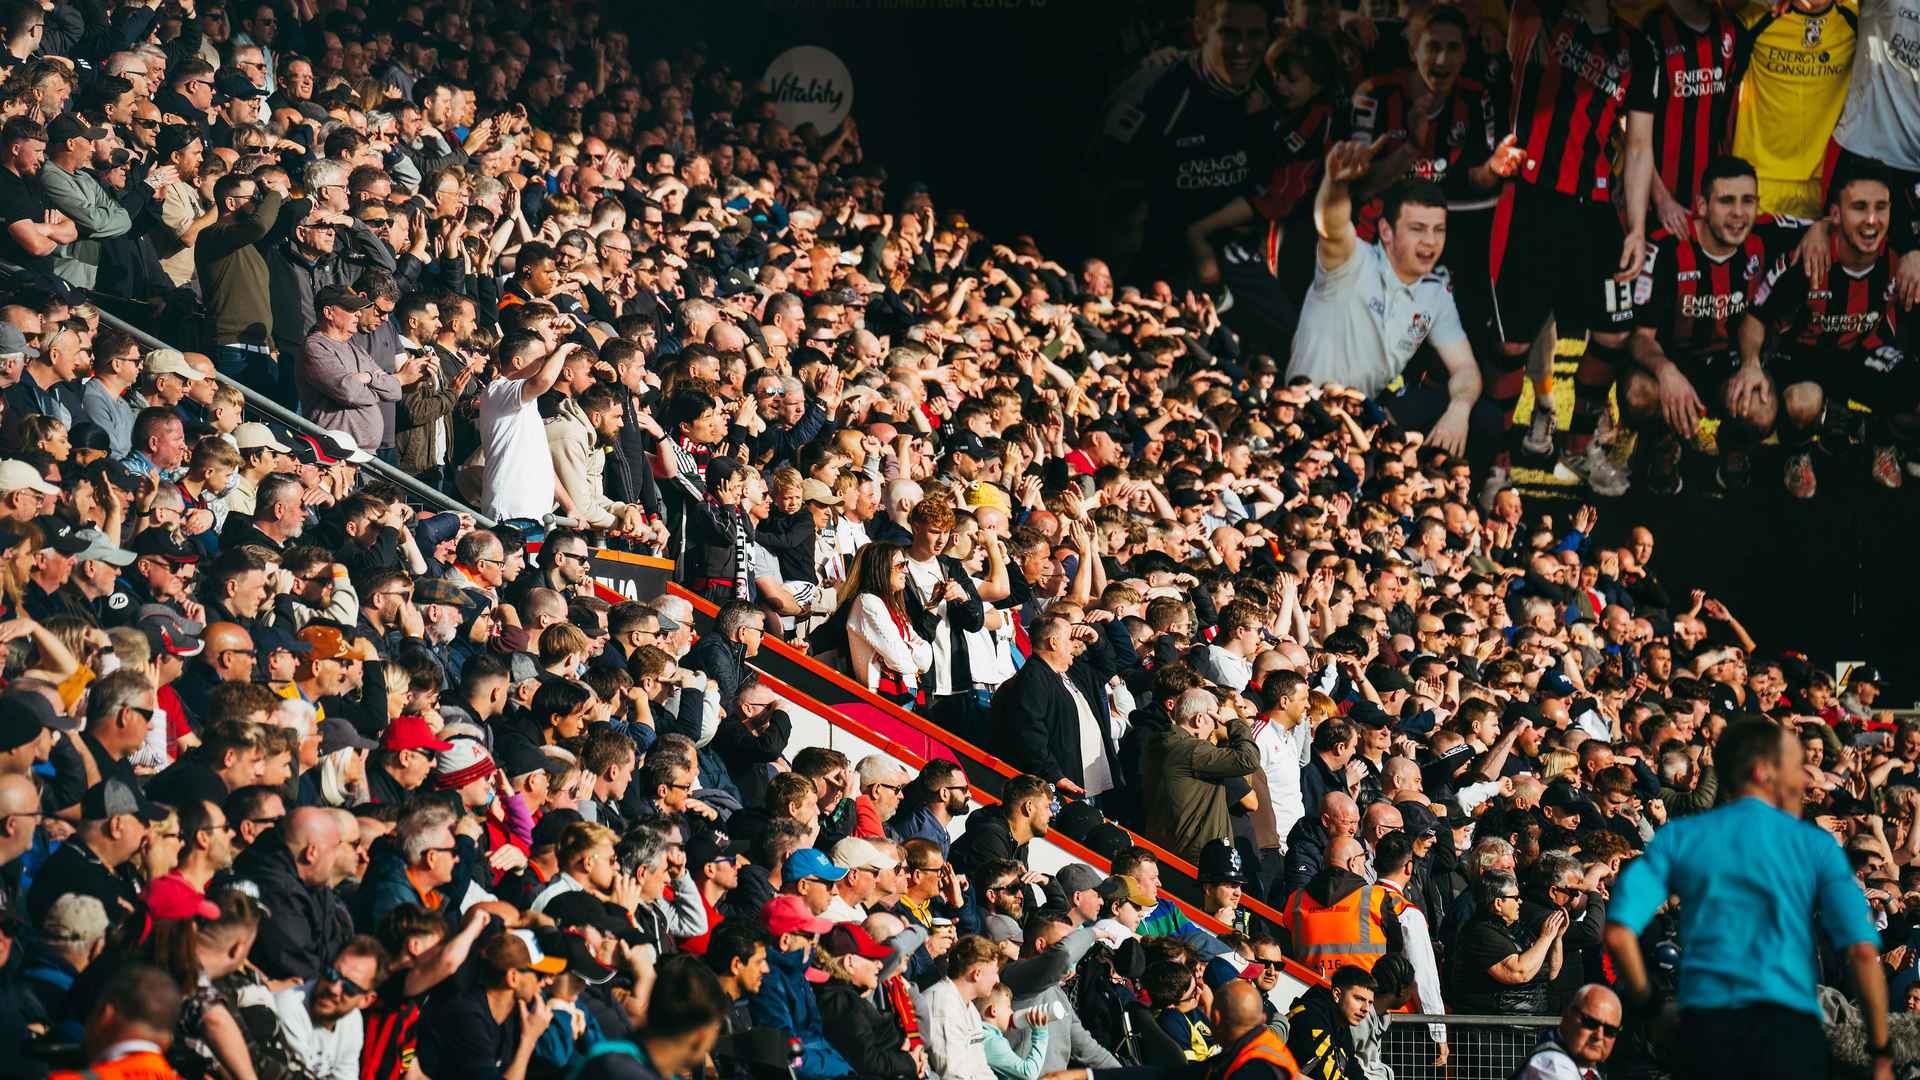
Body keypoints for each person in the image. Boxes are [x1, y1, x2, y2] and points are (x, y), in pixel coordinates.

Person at [1606, 718, 1891, 1080]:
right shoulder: (1815, 845)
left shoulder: (1681, 837)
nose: (1802, 779)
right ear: (1762, 771)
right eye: (1793, 767)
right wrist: (1880, 1054)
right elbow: (1863, 952)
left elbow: (1618, 932)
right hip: (1788, 1034)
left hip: (1704, 1033)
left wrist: (1651, 1009)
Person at [1287, 148, 1483, 455]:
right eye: (1417, 229)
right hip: (1305, 414)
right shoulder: (1352, 263)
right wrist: (1335, 185)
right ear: (1386, 232)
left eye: (1438, 230)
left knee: (1484, 418)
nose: (1430, 242)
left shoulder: (1434, 294)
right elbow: (1332, 226)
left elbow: (1465, 369)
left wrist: (1459, 409)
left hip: (1365, 416)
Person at [1512, 984, 1623, 1080]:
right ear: (1567, 1016)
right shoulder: (1553, 1065)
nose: (1599, 1036)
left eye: (1610, 1031)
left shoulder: (1586, 1068)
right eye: (1591, 1023)